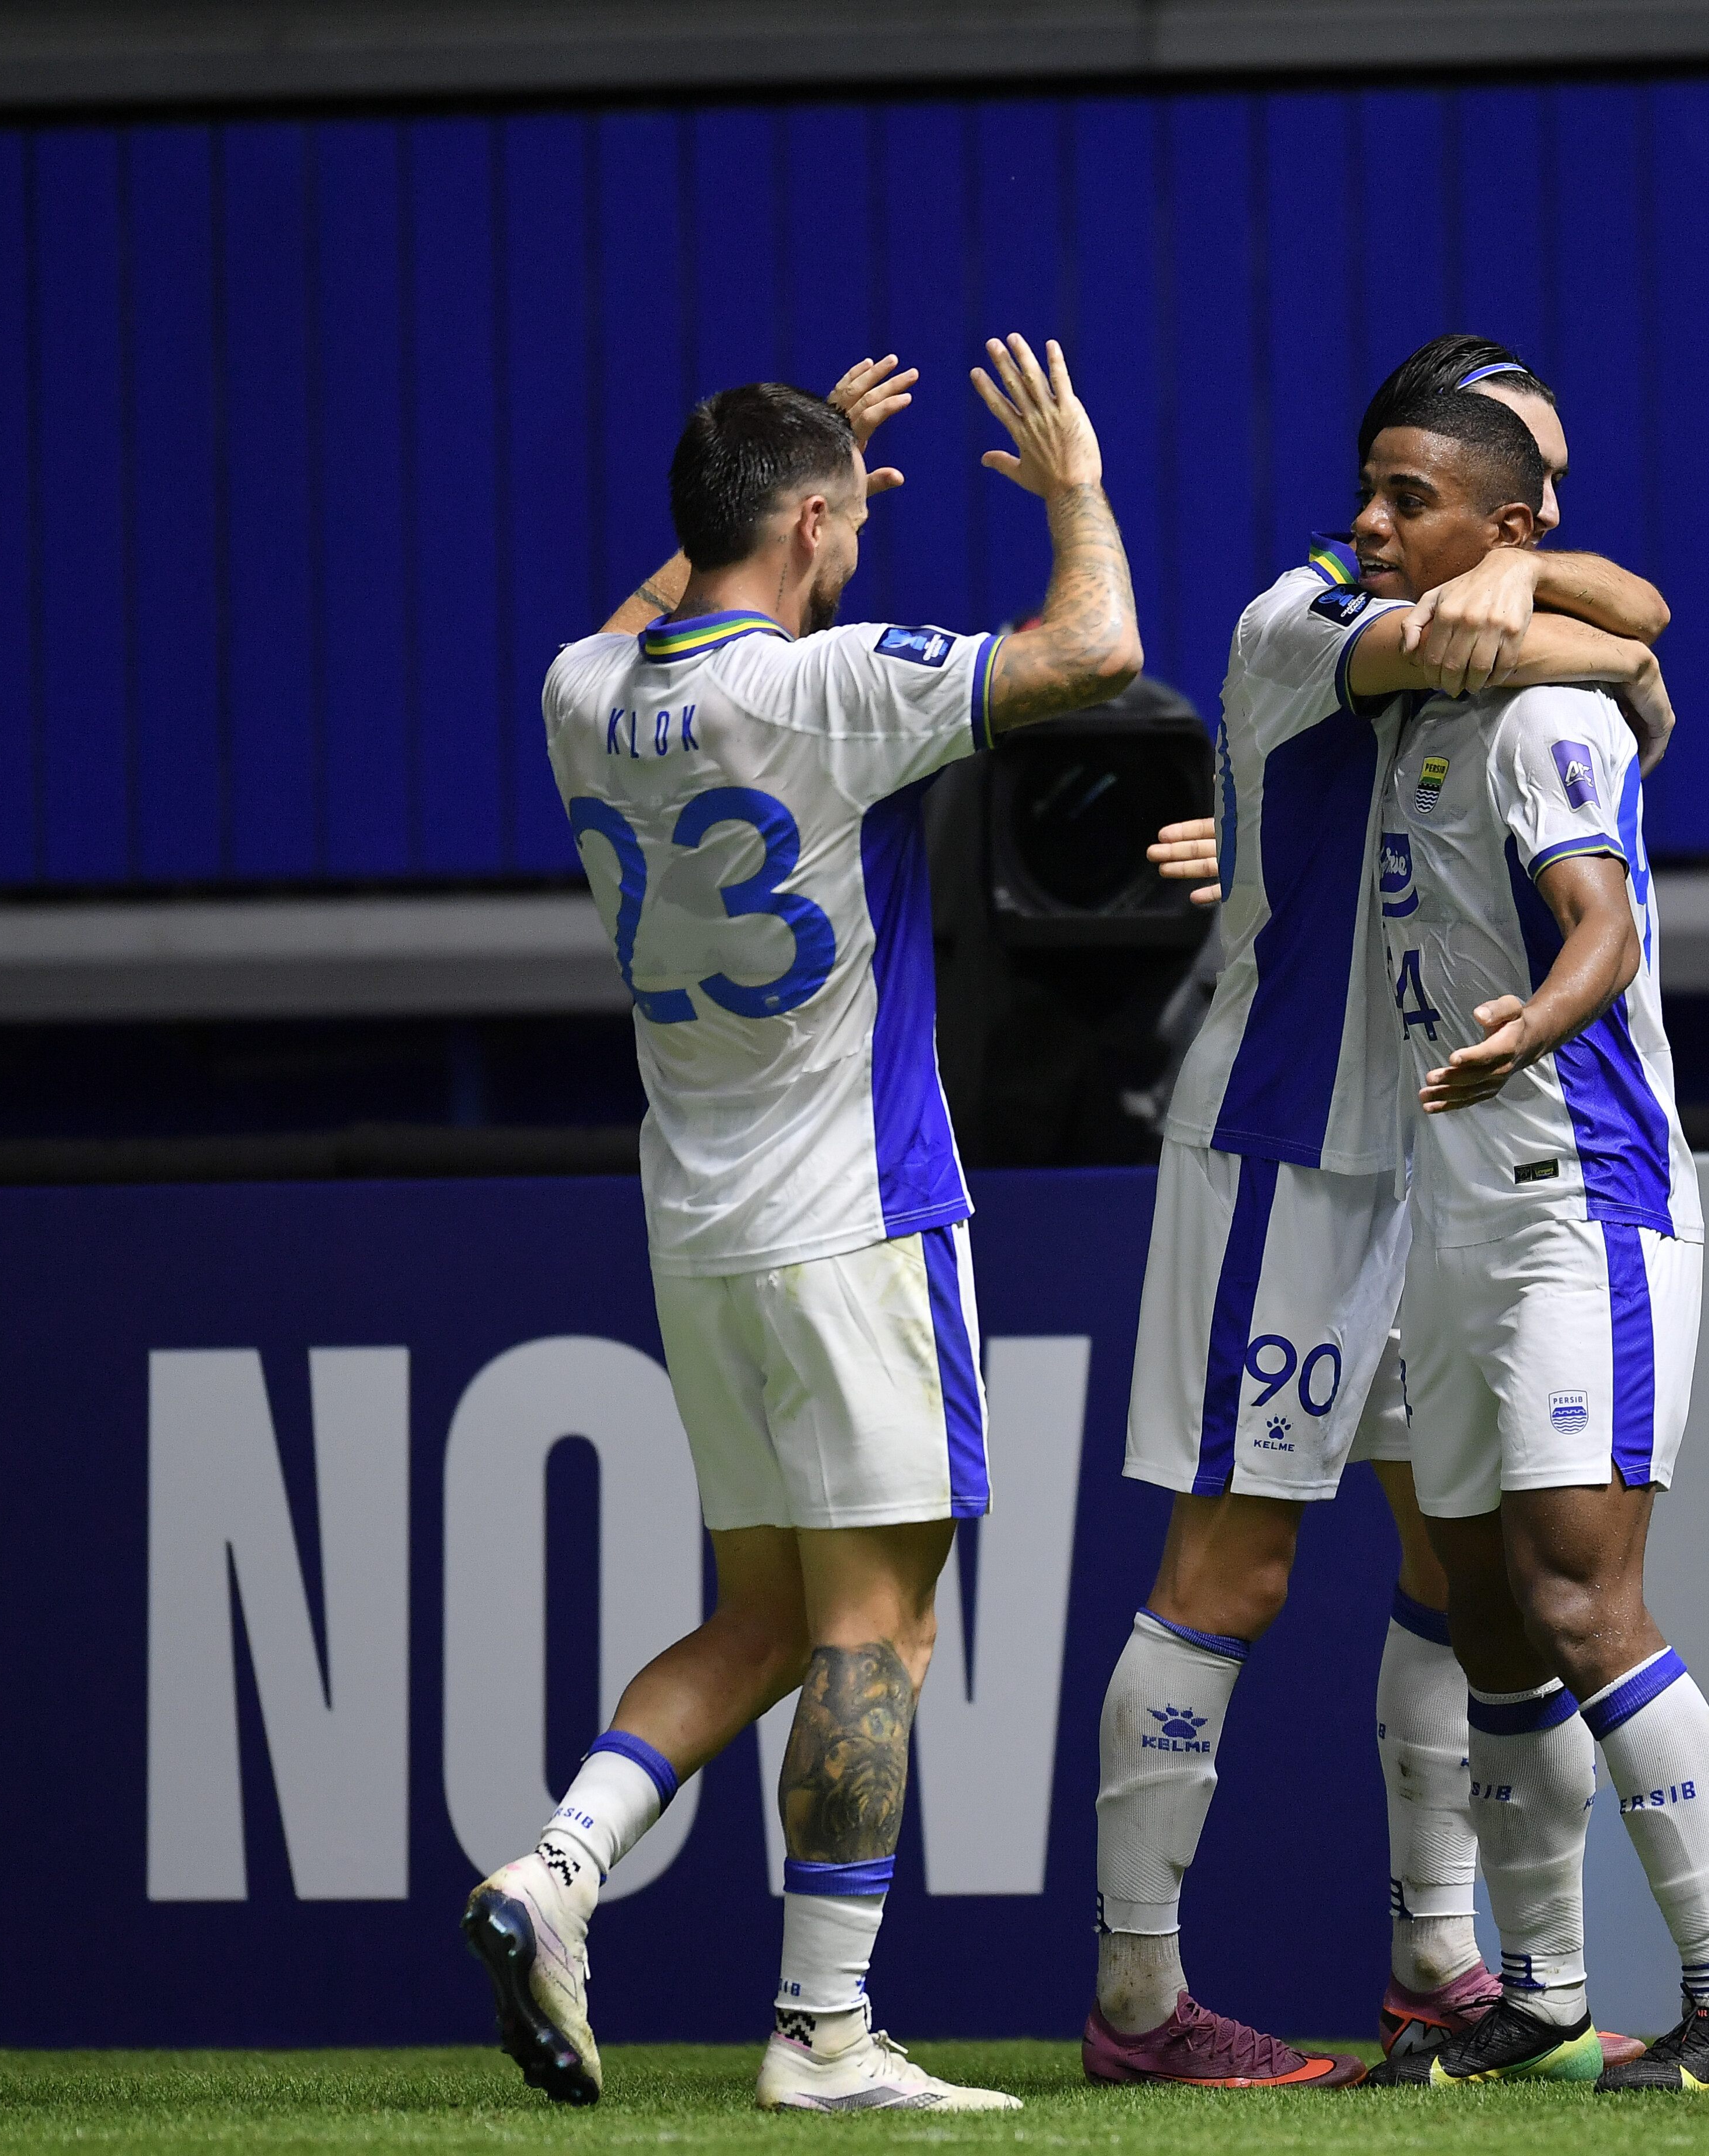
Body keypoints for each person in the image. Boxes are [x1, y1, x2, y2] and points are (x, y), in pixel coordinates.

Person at [463, 336, 1142, 2114]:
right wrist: (1069, 482)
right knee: (877, 1638)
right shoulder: (836, 687)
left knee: (760, 1623)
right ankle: (824, 2036)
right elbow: (1097, 654)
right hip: (855, 1216)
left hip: (698, 1225)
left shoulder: (579, 694)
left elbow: (651, 619)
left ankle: (556, 1869)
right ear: (824, 526)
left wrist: (790, 506)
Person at [1083, 337, 1679, 2089]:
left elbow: (1617, 620)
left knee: (1458, 1567)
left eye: (1541, 500)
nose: (1543, 524)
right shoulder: (1297, 615)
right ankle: (1137, 2005)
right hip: (1290, 1145)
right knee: (1236, 1563)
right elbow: (1615, 641)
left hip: (1441, 1150)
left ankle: (1442, 1969)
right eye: (1395, 490)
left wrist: (1549, 591)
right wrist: (1575, 625)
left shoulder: (1490, 621)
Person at [1355, 394, 1709, 2094]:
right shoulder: (1421, 704)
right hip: (1454, 1210)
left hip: (1578, 1202)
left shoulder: (1547, 714)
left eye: (1410, 499)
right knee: (1486, 1617)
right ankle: (1539, 1994)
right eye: (1369, 494)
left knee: (1581, 1599)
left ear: (1505, 531)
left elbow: (1602, 923)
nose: (1378, 525)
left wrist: (1528, 1028)